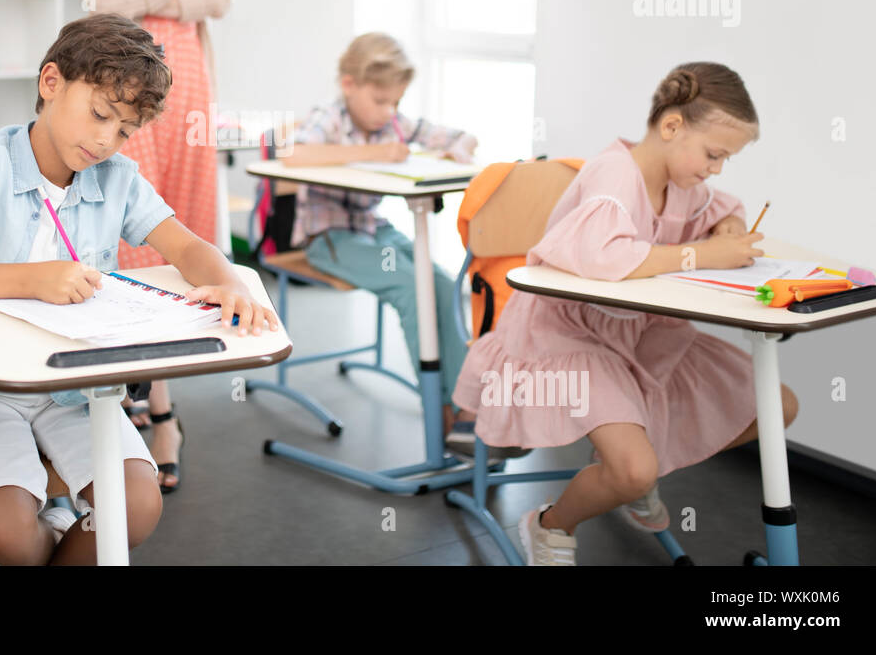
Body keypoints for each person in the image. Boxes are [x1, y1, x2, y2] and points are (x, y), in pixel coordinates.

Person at [0, 14, 277, 565]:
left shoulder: (115, 176)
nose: (105, 140)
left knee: (136, 510)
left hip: (77, 390)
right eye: (98, 114)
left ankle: (62, 525)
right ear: (51, 83)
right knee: (14, 542)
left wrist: (230, 284)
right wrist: (33, 280)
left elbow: (188, 248)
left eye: (123, 130)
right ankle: (54, 529)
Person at [451, 62, 799, 565]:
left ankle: (625, 470)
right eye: (714, 154)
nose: (716, 168)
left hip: (644, 336)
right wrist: (703, 254)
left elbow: (721, 204)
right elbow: (602, 258)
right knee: (635, 469)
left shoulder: (683, 182)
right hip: (566, 335)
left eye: (725, 159)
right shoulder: (614, 175)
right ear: (673, 126)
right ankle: (551, 525)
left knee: (777, 406)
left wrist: (728, 226)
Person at [65, 0, 236, 492]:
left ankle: (158, 399)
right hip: (124, 90)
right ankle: (136, 394)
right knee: (128, 233)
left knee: (181, 236)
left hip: (190, 89)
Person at [283, 32, 479, 438]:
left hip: (377, 231)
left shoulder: (392, 121)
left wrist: (459, 149)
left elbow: (459, 137)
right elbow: (295, 154)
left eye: (396, 103)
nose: (387, 112)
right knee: (410, 287)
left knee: (442, 285)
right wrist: (373, 152)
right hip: (330, 238)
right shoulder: (330, 117)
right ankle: (438, 409)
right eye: (380, 101)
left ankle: (466, 406)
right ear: (349, 85)